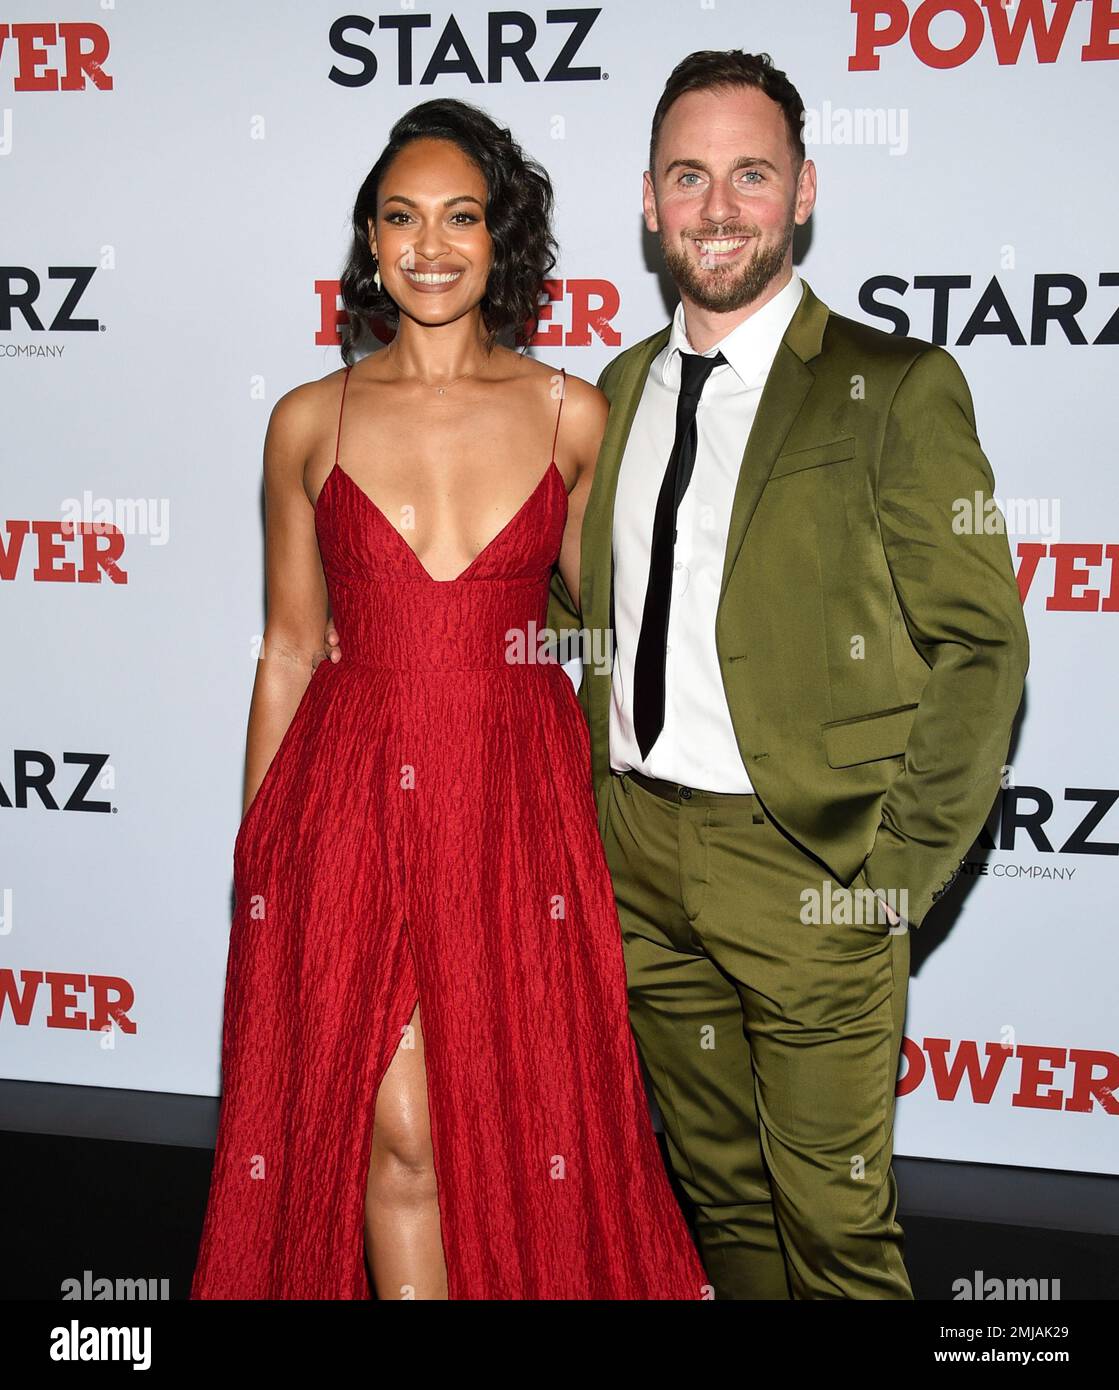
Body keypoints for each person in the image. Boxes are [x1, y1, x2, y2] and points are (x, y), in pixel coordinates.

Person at [323, 49, 1030, 1300]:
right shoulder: (613, 394)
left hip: (811, 873)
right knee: (723, 1202)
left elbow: (984, 647)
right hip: (632, 870)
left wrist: (891, 880)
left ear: (803, 192)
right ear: (648, 203)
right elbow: (552, 618)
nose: (719, 206)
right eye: (689, 177)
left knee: (836, 1233)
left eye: (750, 175)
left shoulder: (895, 389)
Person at [190, 97, 708, 1300]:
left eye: (461, 216)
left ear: (499, 237)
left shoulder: (571, 412)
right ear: (370, 243)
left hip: (509, 809)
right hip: (347, 798)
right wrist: (261, 847)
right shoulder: (308, 420)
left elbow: (627, 630)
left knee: (514, 1129)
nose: (431, 244)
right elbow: (287, 647)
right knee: (398, 1129)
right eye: (402, 217)